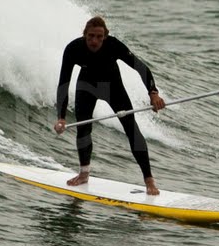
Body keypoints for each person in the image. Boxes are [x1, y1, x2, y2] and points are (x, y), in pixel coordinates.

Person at [53, 16, 167, 195]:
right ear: (84, 34)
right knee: (83, 129)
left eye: (99, 37)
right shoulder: (73, 49)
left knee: (132, 130)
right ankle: (84, 174)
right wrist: (61, 117)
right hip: (87, 87)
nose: (94, 41)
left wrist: (153, 93)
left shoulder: (113, 45)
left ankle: (149, 180)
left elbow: (140, 67)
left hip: (113, 88)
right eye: (91, 36)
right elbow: (63, 84)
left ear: (105, 36)